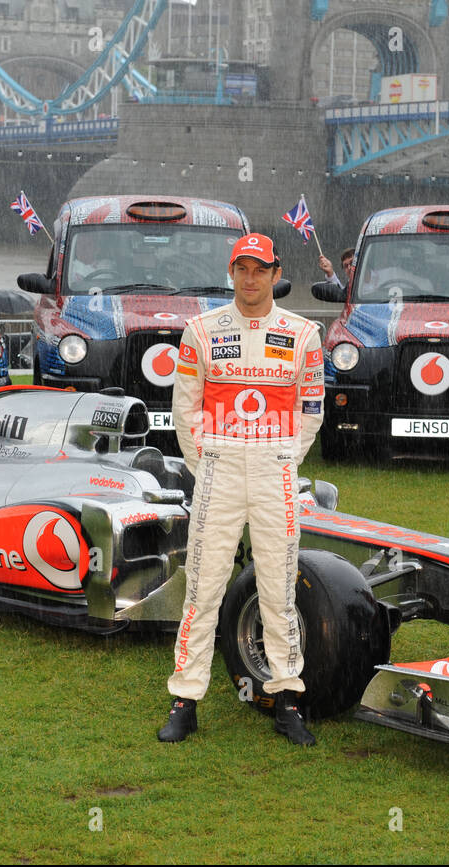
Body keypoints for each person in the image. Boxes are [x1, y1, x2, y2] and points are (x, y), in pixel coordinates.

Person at [158, 232, 325, 745]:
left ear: (277, 274)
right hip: (219, 472)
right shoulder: (200, 331)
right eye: (242, 269)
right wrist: (209, 460)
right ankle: (185, 700)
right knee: (204, 586)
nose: (250, 279)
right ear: (231, 273)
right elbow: (184, 411)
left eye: (260, 269)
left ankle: (287, 701)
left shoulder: (304, 335)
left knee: (278, 588)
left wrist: (282, 457)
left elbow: (311, 409)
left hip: (275, 472)